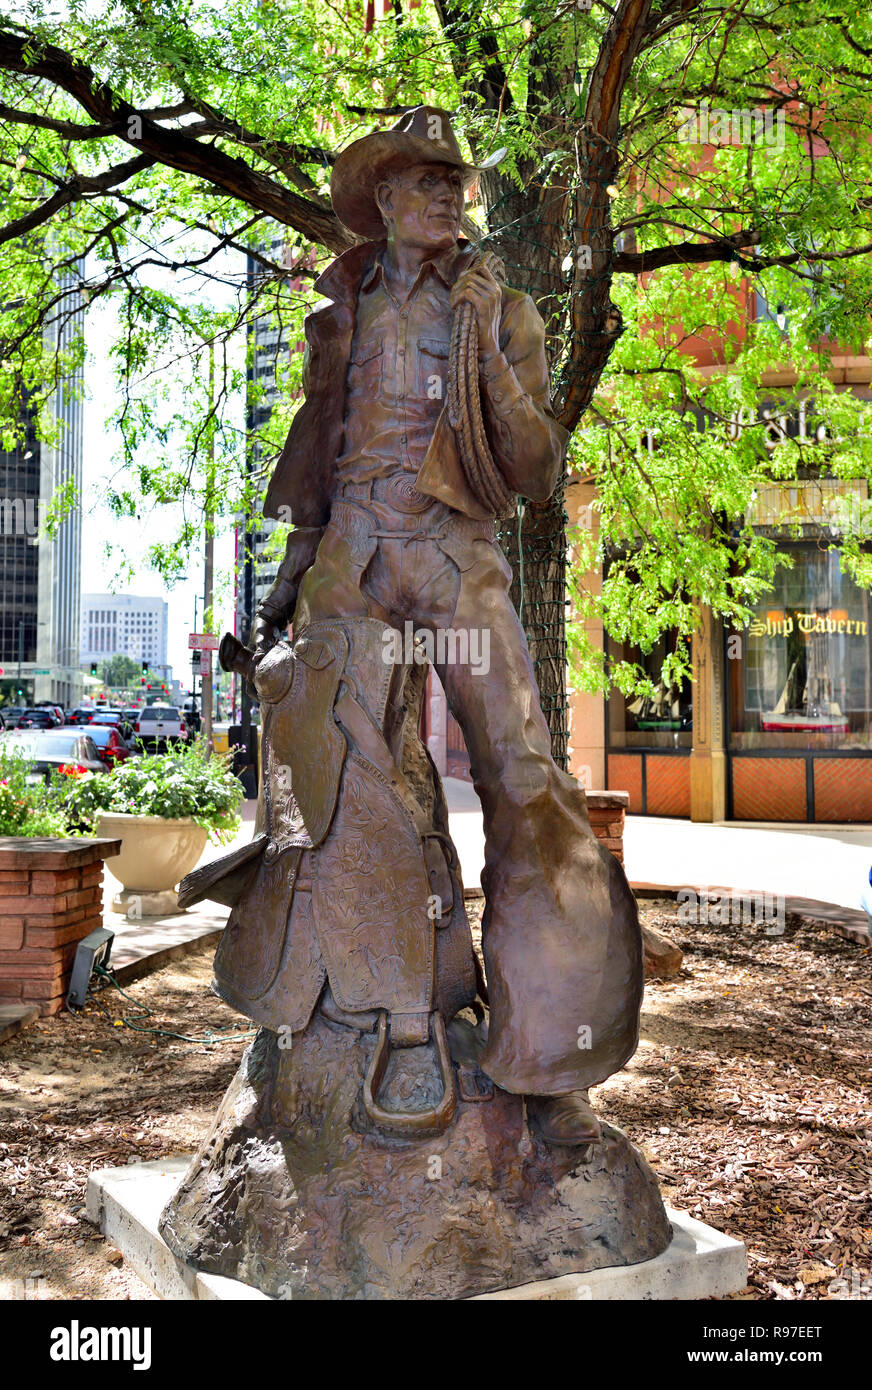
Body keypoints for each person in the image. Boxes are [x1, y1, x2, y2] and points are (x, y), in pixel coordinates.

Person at [249, 106, 643, 1145]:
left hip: (455, 554)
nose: (442, 198)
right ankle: (369, 1007)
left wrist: (489, 351)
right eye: (421, 183)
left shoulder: (501, 306)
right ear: (381, 201)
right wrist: (296, 564)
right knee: (320, 770)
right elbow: (316, 445)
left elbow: (533, 468)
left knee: (520, 770)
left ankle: (551, 1045)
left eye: (451, 184)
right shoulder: (340, 307)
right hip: (354, 557)